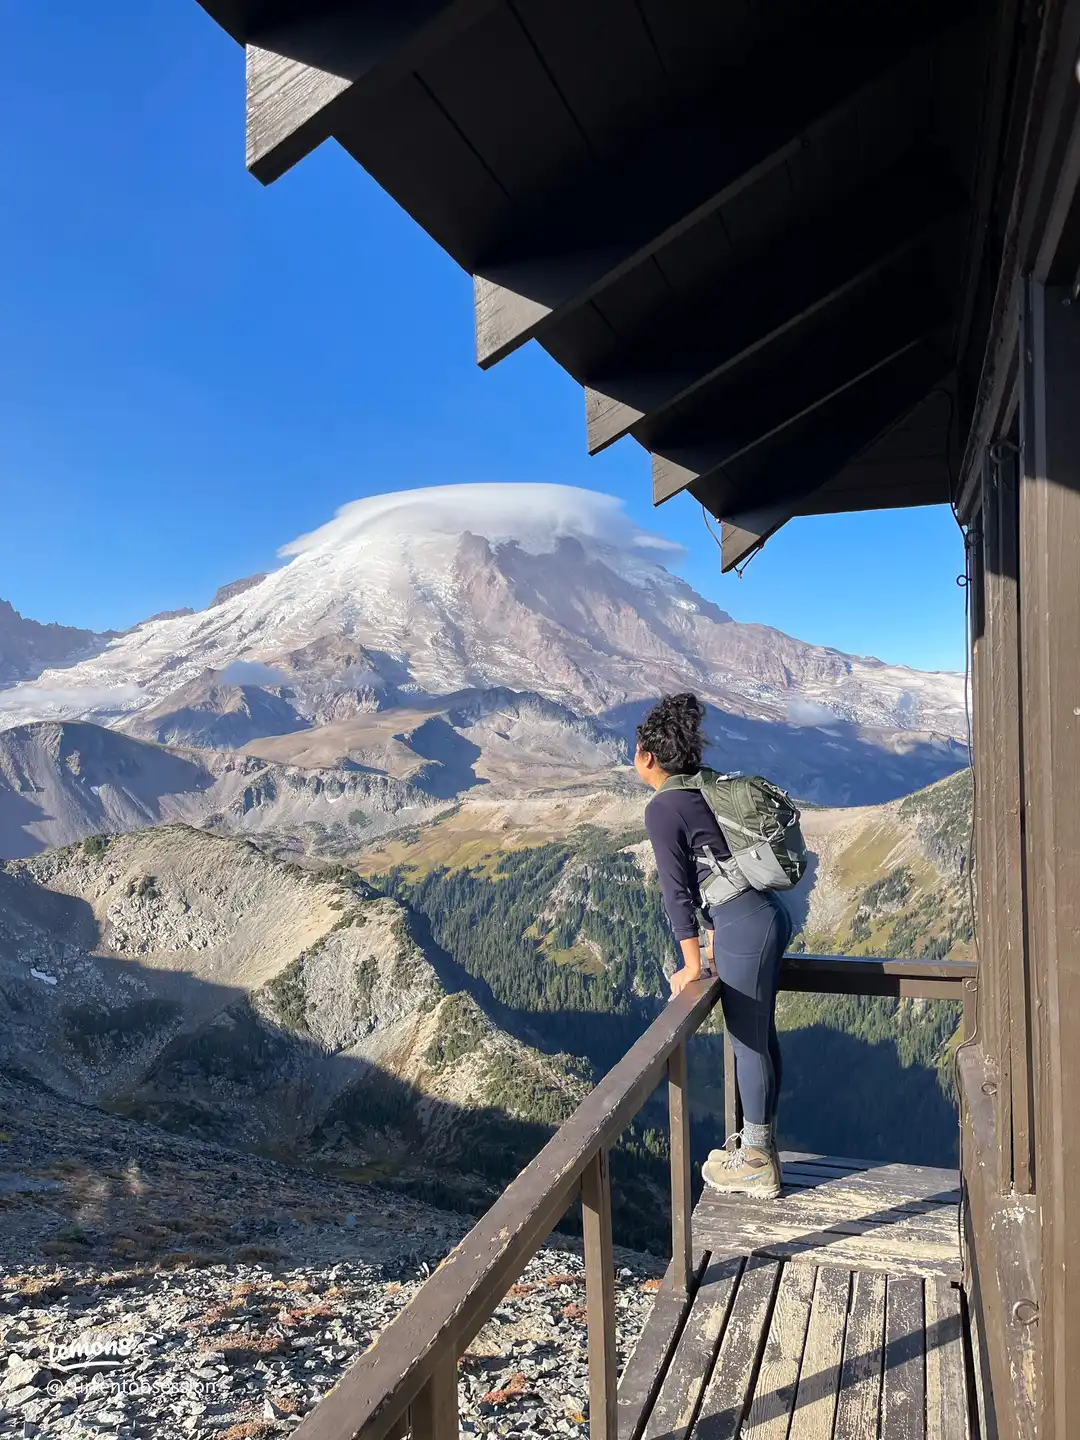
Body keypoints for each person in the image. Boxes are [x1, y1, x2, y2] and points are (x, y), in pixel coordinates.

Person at [635, 692, 792, 1199]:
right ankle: (755, 1145)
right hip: (763, 915)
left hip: (742, 924)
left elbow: (676, 893)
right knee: (760, 1036)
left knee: (747, 1042)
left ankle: (758, 1163)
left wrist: (691, 964)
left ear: (647, 757)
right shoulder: (704, 787)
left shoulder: (663, 807)